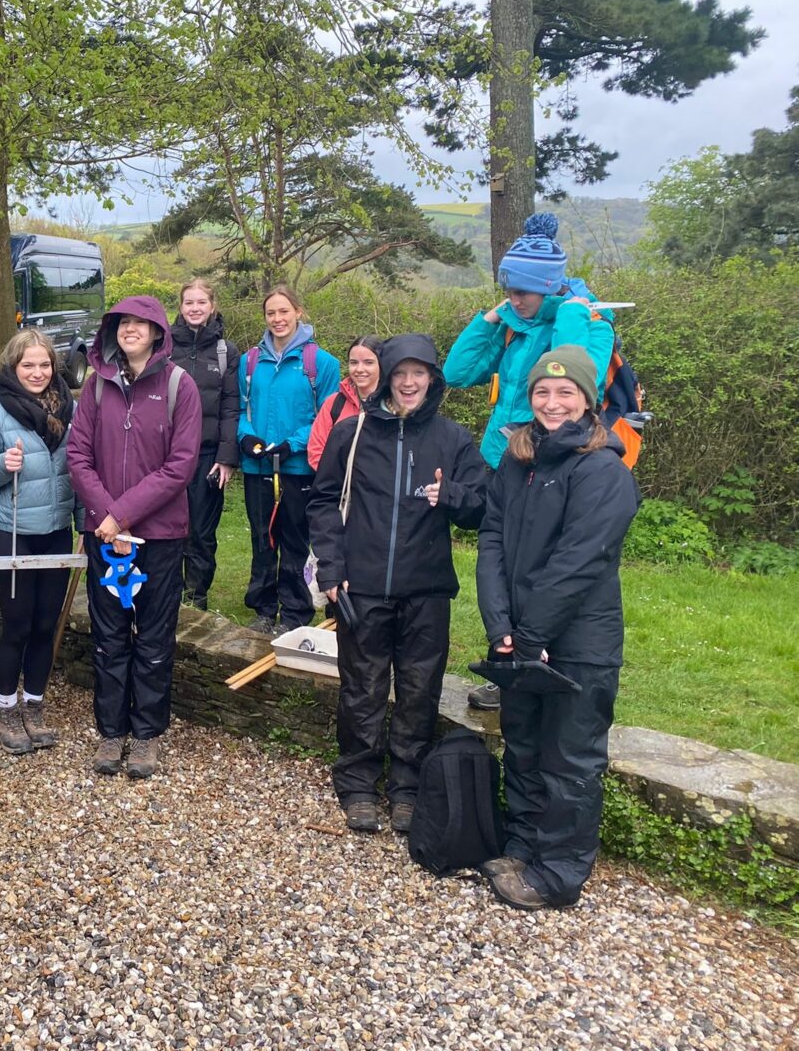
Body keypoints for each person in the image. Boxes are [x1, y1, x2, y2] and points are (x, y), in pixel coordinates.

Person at [475, 346, 639, 910]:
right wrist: (501, 626)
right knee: (522, 746)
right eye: (543, 392)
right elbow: (492, 541)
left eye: (565, 393)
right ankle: (522, 846)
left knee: (570, 760)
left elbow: (578, 562)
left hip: (578, 643)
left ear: (588, 401)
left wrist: (533, 638)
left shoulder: (604, 472)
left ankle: (559, 872)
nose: (551, 402)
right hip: (520, 636)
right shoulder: (517, 462)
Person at [307, 334, 488, 834]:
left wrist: (450, 494)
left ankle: (407, 787)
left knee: (418, 689)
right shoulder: (353, 433)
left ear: (433, 379)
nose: (409, 383)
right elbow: (322, 503)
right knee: (361, 688)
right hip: (360, 585)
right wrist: (331, 568)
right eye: (400, 373)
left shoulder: (453, 439)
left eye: (420, 373)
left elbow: (481, 507)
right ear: (386, 376)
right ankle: (358, 783)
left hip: (426, 588)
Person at [444, 212, 615, 711]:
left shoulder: (591, 325)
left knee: (550, 566)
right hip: (506, 463)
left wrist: (569, 311)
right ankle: (509, 670)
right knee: (507, 564)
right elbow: (456, 373)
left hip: (563, 467)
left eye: (523, 291)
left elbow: (578, 375)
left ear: (551, 287)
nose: (514, 298)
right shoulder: (513, 328)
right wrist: (492, 318)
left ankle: (553, 664)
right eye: (509, 288)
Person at [67, 295, 201, 779]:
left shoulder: (179, 386)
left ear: (158, 332)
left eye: (140, 323)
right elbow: (78, 456)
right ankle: (110, 731)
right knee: (108, 634)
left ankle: (145, 735)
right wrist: (108, 518)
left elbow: (180, 465)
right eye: (123, 322)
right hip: (104, 534)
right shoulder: (96, 387)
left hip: (160, 536)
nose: (130, 330)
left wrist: (122, 515)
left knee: (154, 635)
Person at [0, 329, 76, 754]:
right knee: (17, 625)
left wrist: (85, 522)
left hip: (57, 532)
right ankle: (6, 709)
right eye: (28, 365)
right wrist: (2, 464)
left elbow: (80, 472)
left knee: (45, 626)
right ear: (14, 368)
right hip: (14, 533)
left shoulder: (70, 409)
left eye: (44, 364)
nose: (37, 372)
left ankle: (34, 705)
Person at [236, 287, 341, 634]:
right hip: (258, 467)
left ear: (298, 312)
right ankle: (264, 609)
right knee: (262, 539)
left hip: (298, 468)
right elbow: (241, 408)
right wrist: (246, 435)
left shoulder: (321, 363)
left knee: (295, 541)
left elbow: (328, 414)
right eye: (271, 313)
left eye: (284, 312)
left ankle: (295, 614)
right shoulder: (250, 361)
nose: (278, 319)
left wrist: (291, 444)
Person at [169, 279, 240, 611]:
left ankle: (195, 599)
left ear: (212, 306)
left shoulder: (227, 352)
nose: (194, 308)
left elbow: (230, 406)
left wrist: (226, 458)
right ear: (180, 307)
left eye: (201, 302)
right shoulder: (164, 347)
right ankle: (168, 593)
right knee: (168, 529)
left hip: (208, 455)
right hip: (166, 457)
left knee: (200, 532)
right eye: (188, 302)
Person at [307, 335, 383, 471]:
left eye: (368, 362)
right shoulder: (334, 403)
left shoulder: (393, 405)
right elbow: (316, 450)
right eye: (354, 362)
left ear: (382, 364)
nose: (359, 369)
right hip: (339, 489)